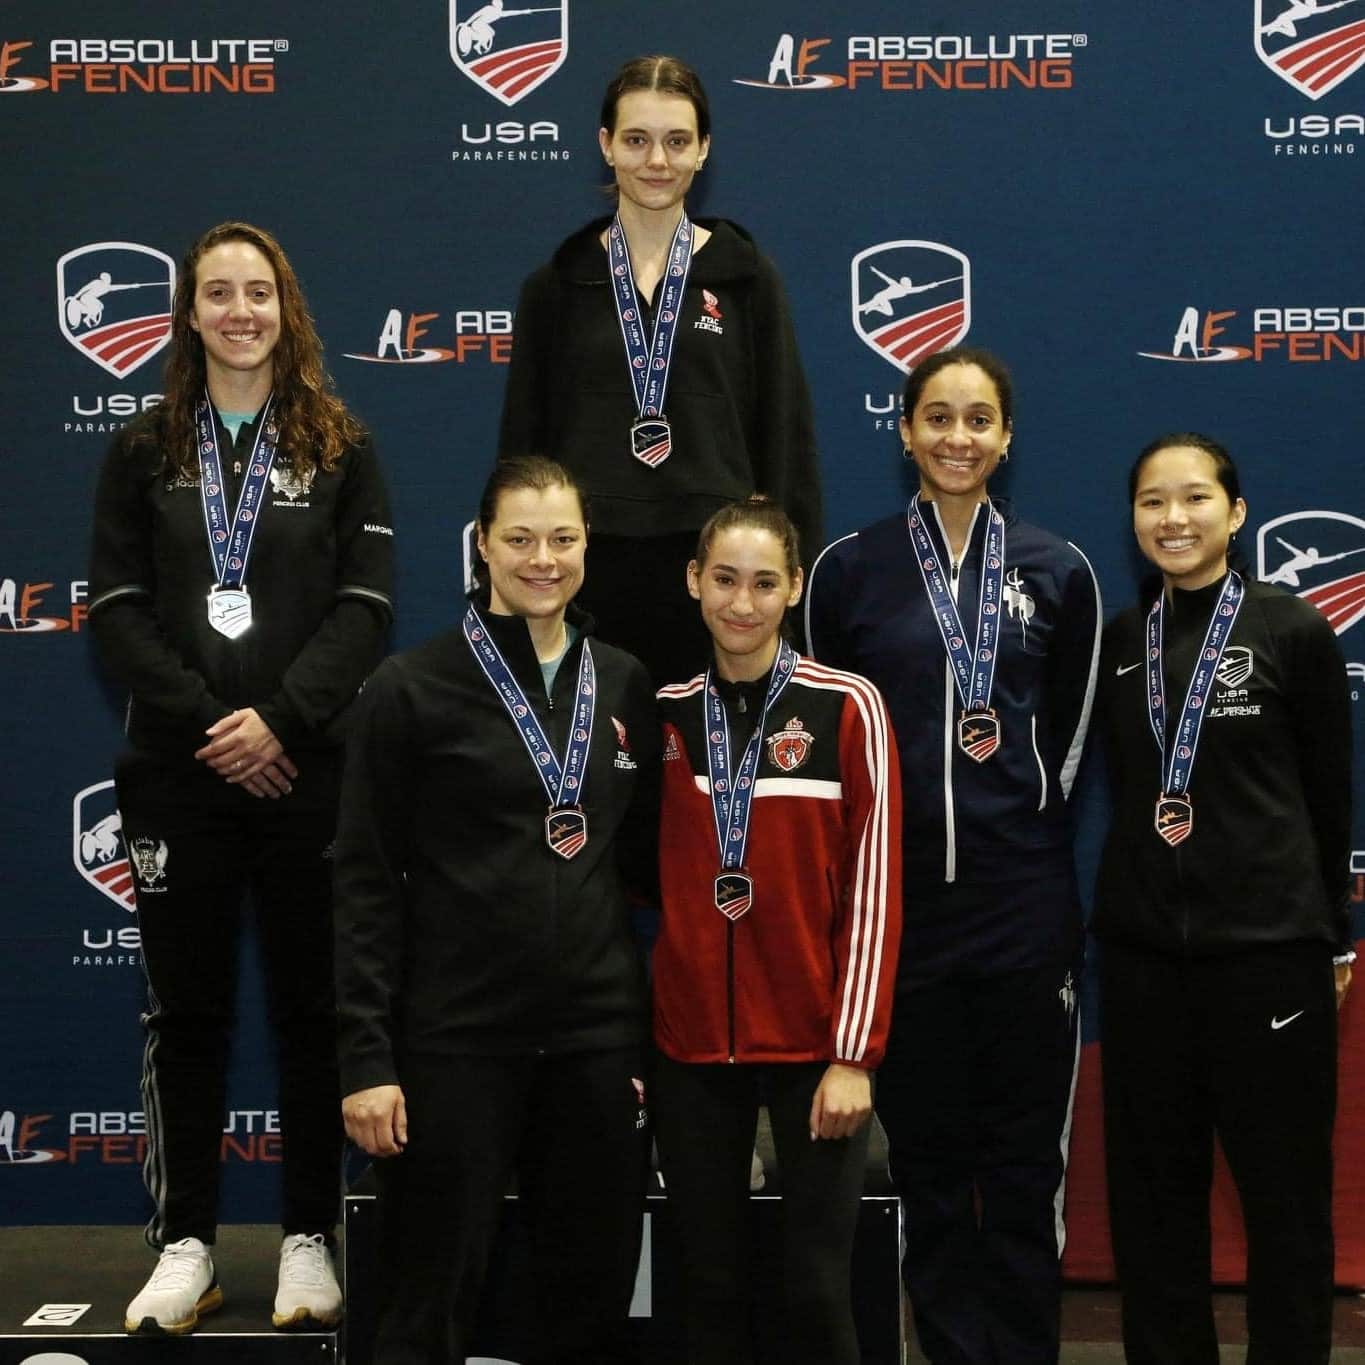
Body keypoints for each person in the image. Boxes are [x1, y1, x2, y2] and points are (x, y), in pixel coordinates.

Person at [88, 221, 395, 1334]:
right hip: (180, 772)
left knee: (316, 1009)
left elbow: (366, 609)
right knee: (189, 1012)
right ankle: (185, 1244)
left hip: (308, 772)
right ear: (188, 314)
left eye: (257, 292)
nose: (238, 312)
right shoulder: (143, 447)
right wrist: (219, 723)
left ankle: (312, 1236)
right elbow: (116, 611)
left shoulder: (338, 442)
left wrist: (283, 721)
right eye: (216, 293)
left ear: (286, 307)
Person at [804, 345, 1102, 1363]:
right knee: (929, 1167)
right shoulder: (850, 569)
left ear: (1006, 437)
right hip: (905, 917)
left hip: (1023, 904)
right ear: (905, 429)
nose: (958, 438)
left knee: (1022, 1170)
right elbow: (836, 735)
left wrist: (1015, 830)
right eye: (939, 417)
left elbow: (1067, 741)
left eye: (979, 420)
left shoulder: (1060, 570)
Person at [334, 456, 660, 1364]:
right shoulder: (410, 689)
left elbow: (647, 871)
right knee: (424, 1304)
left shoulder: (627, 683)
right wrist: (366, 1056)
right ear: (482, 546)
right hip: (454, 1043)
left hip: (595, 1046)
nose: (542, 558)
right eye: (519, 538)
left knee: (587, 1307)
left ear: (588, 545)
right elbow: (363, 882)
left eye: (562, 538)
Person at [1093, 433, 1353, 1364]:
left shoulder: (1294, 629)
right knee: (1153, 1204)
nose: (1173, 518)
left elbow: (1329, 796)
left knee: (1283, 1203)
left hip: (1268, 959)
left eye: (1195, 498)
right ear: (1132, 519)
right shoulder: (1123, 642)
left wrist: (1332, 938)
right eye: (1152, 501)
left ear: (1235, 514)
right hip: (1143, 966)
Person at [652, 497, 902, 1364]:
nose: (742, 603)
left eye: (764, 583)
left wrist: (853, 1053)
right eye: (723, 579)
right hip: (691, 1056)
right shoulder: (667, 714)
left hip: (812, 1052)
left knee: (815, 1291)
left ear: (794, 587)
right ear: (694, 581)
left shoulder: (848, 705)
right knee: (709, 1289)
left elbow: (872, 887)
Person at [498, 54, 821, 687]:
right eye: (637, 140)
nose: (657, 161)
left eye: (677, 141)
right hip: (585, 571)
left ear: (704, 150)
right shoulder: (558, 284)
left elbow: (786, 439)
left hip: (715, 577)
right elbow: (522, 449)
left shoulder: (747, 279)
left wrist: (783, 581)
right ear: (606, 146)